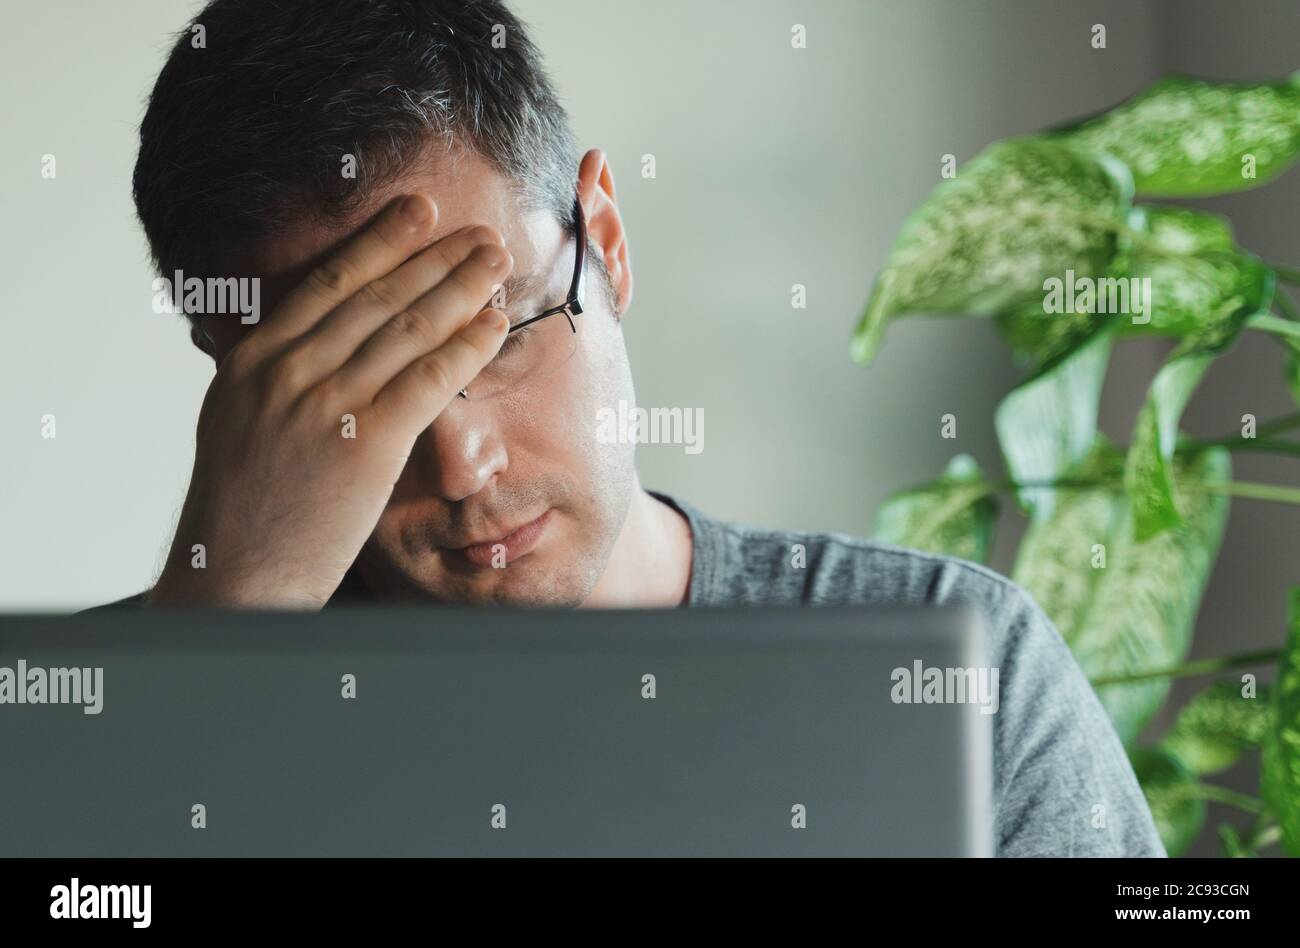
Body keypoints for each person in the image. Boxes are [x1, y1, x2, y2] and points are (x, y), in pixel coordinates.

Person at [107, 0, 1165, 857]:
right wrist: (223, 632)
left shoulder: (966, 676)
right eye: (356, 394)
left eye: (504, 329)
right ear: (235, 381)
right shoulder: (92, 719)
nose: (461, 464)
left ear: (603, 239)